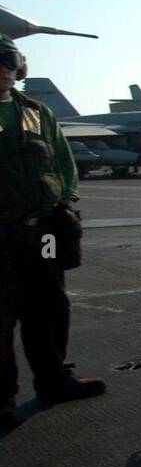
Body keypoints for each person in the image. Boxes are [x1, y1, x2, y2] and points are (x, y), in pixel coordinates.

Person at [0, 35, 105, 429]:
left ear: (19, 66)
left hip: (41, 231)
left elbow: (63, 161)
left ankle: (53, 380)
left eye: (8, 59)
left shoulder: (37, 113)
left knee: (50, 308)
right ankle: (2, 400)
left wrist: (65, 202)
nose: (2, 67)